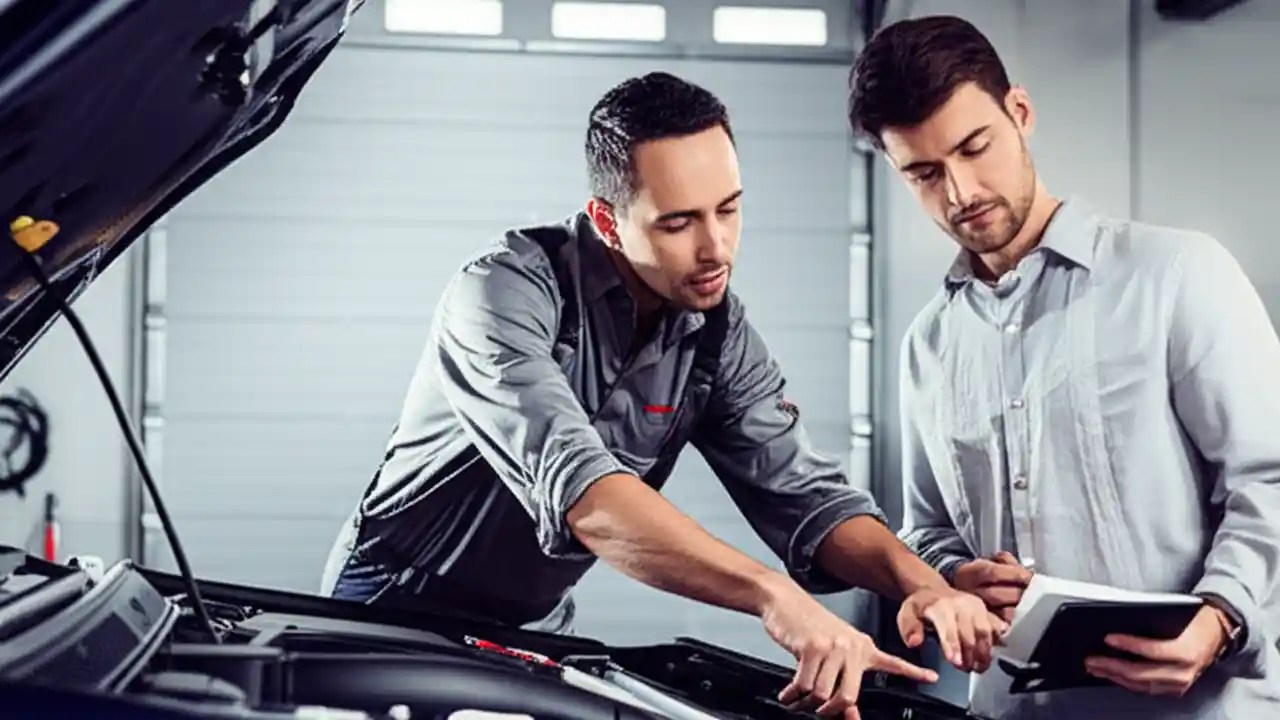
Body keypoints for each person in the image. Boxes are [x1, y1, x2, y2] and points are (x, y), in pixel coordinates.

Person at [321, 71, 1004, 718]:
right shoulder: (500, 295)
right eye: (678, 223)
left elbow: (805, 496)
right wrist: (771, 596)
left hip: (536, 626)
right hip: (393, 605)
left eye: (729, 210)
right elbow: (586, 498)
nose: (716, 249)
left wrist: (924, 584)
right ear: (607, 219)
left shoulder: (716, 329)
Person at [847, 14, 1280, 720]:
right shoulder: (926, 345)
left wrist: (1222, 615)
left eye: (973, 148)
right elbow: (926, 528)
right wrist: (956, 575)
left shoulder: (1177, 274)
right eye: (923, 173)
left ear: (1020, 112)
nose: (959, 192)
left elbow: (1269, 476)